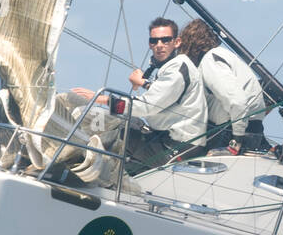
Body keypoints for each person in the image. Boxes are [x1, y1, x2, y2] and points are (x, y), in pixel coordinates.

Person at [69, 17, 208, 171]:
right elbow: (162, 96)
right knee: (122, 120)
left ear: (177, 42)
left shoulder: (177, 70)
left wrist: (103, 99)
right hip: (164, 139)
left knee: (116, 131)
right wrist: (144, 82)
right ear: (150, 44)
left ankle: (80, 168)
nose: (159, 45)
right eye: (154, 41)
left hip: (177, 148)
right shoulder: (174, 66)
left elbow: (146, 107)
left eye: (165, 40)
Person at [176, 19, 266, 152]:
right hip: (252, 127)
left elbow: (237, 101)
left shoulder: (210, 61)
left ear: (189, 44)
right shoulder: (223, 55)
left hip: (235, 133)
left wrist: (236, 141)